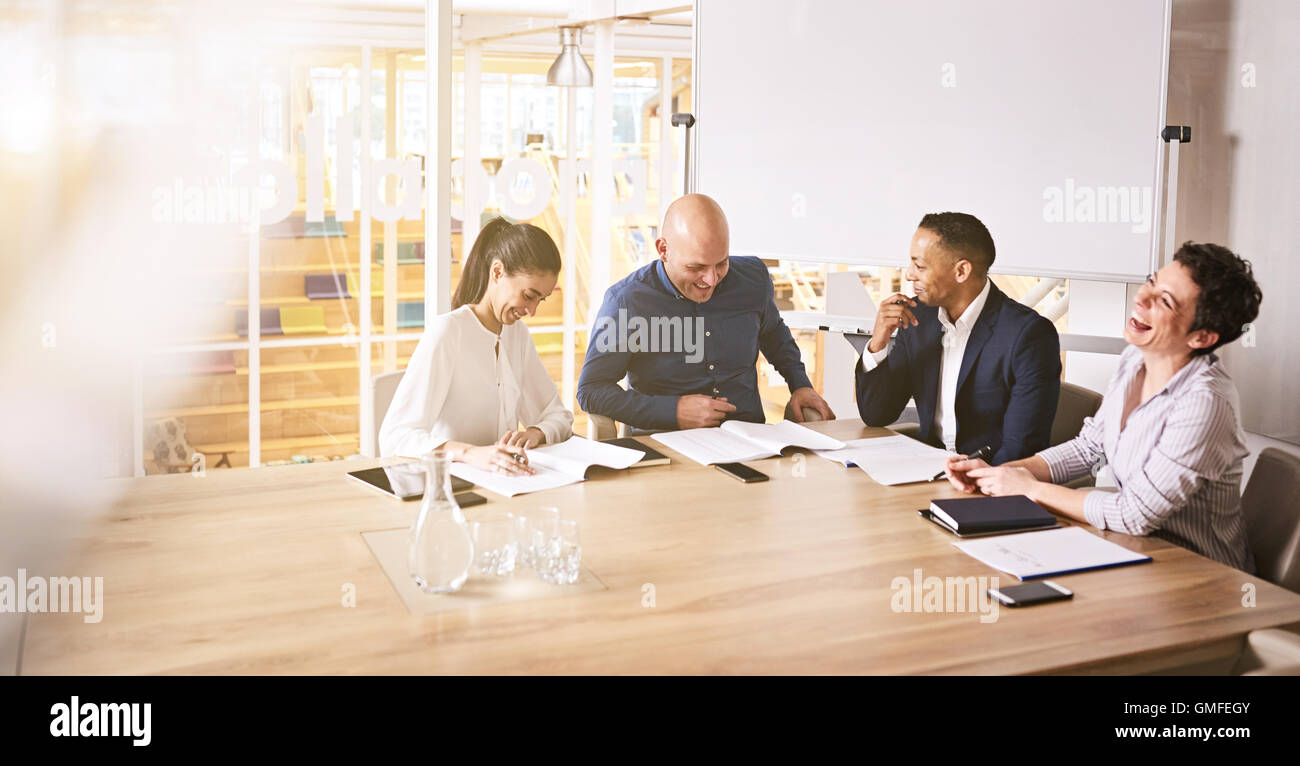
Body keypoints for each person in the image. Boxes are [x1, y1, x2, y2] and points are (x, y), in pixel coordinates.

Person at [946, 242, 1263, 571]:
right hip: (1135, 550)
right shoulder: (1135, 358)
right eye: (1152, 282)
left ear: (1201, 337)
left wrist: (1030, 489)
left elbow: (1134, 514)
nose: (1141, 299)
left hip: (1200, 574)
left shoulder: (1204, 404)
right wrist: (1003, 474)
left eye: (1164, 301)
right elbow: (1089, 448)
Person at [577, 193, 833, 431]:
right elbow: (591, 390)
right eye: (696, 267)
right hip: (667, 447)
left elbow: (775, 337)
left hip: (749, 443)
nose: (711, 279)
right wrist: (673, 411)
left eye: (721, 263)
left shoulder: (753, 278)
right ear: (663, 250)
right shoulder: (625, 302)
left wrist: (800, 385)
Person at [856, 212, 1061, 464]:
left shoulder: (1028, 335)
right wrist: (879, 342)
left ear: (961, 271)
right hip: (928, 471)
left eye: (920, 266)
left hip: (989, 481)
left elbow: (1021, 449)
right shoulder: (919, 317)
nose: (909, 275)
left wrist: (970, 484)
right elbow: (877, 414)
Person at [378, 217, 573, 475]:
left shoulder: (518, 336)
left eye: (541, 300)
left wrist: (537, 433)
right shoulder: (449, 332)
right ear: (497, 272)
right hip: (453, 489)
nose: (532, 310)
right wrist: (470, 454)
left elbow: (559, 416)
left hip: (508, 485)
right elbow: (395, 437)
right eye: (528, 296)